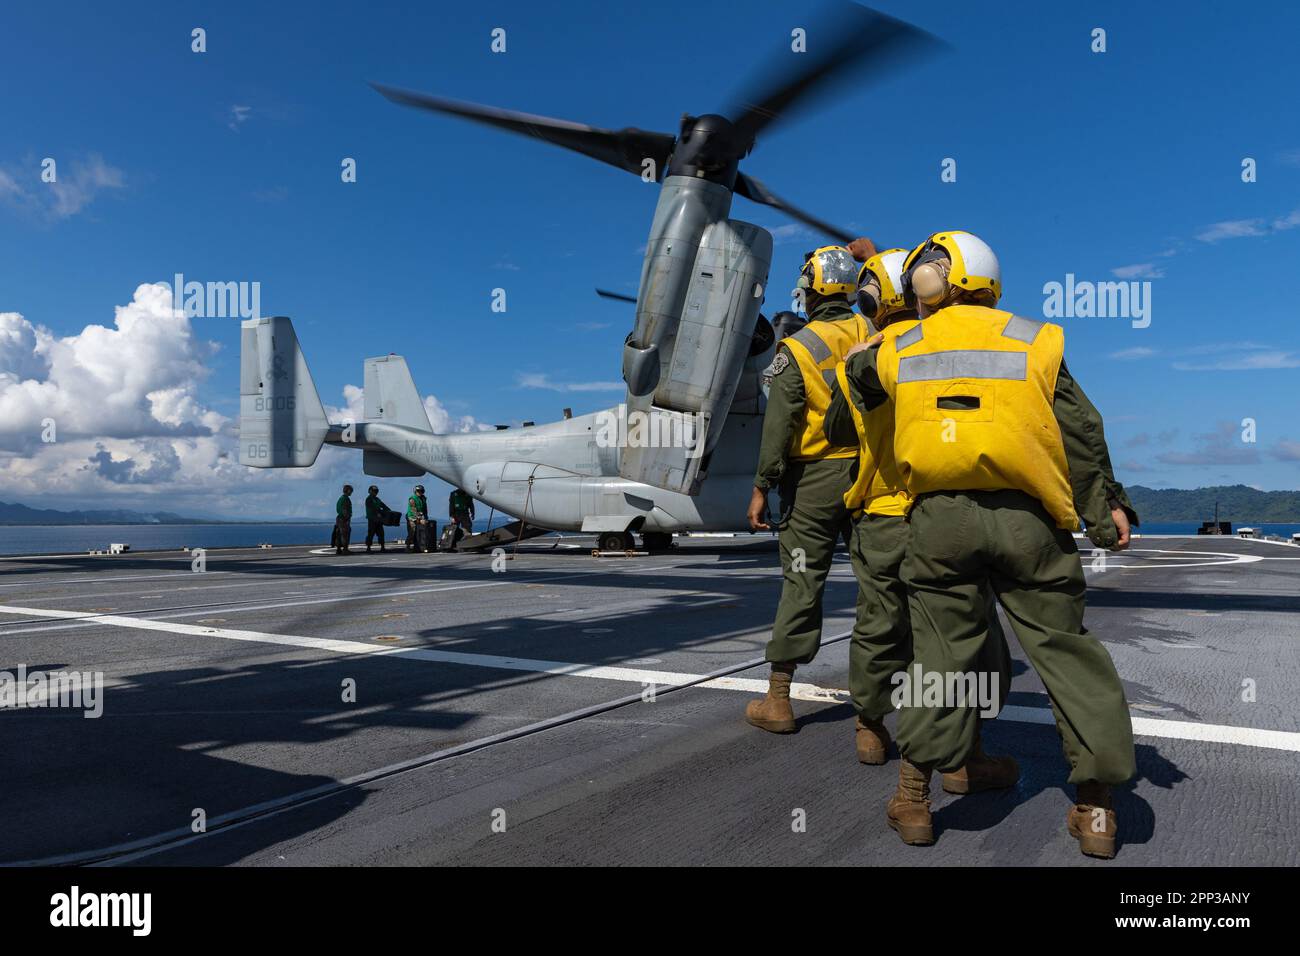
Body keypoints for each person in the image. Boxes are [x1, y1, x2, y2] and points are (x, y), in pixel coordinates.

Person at [840, 230, 1139, 857]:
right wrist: (1104, 509)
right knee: (1065, 652)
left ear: (930, 286)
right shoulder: (1034, 339)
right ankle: (1097, 811)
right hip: (1029, 520)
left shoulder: (902, 344)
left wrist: (874, 336)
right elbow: (1080, 429)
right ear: (988, 281)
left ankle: (915, 801)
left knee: (940, 658)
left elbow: (862, 384)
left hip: (940, 523)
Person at [821, 249, 1017, 785]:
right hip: (949, 511)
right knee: (960, 637)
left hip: (884, 513)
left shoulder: (872, 352)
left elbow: (838, 432)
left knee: (880, 624)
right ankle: (964, 752)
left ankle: (870, 727)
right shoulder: (953, 344)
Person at [743, 244, 876, 745]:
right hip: (871, 476)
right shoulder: (878, 332)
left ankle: (778, 699)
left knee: (801, 583)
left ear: (813, 291)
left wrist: (762, 486)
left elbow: (779, 427)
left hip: (814, 483)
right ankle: (871, 724)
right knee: (879, 593)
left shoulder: (794, 350)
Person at [364, 485, 391, 553]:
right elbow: (372, 508)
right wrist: (377, 513)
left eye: (376, 491)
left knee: (381, 533)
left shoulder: (377, 499)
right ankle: (368, 548)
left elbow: (383, 505)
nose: (375, 492)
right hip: (372, 519)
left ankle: (382, 547)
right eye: (374, 491)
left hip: (379, 520)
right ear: (370, 491)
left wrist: (389, 511)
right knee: (371, 533)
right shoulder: (368, 499)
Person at [406, 484, 429, 552]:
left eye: (421, 491)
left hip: (420, 516)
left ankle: (418, 547)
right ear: (415, 491)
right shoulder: (412, 499)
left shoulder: (423, 498)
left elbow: (425, 508)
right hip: (412, 518)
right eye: (418, 491)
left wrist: (425, 517)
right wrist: (420, 519)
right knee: (412, 532)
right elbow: (413, 510)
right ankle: (408, 546)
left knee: (420, 533)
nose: (420, 492)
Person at [334, 484, 353, 555]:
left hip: (339, 518)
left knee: (339, 534)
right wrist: (347, 518)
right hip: (343, 519)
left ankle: (338, 549)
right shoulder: (345, 499)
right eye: (350, 491)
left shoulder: (341, 498)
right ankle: (345, 549)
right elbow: (345, 509)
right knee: (345, 534)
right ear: (348, 491)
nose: (351, 492)